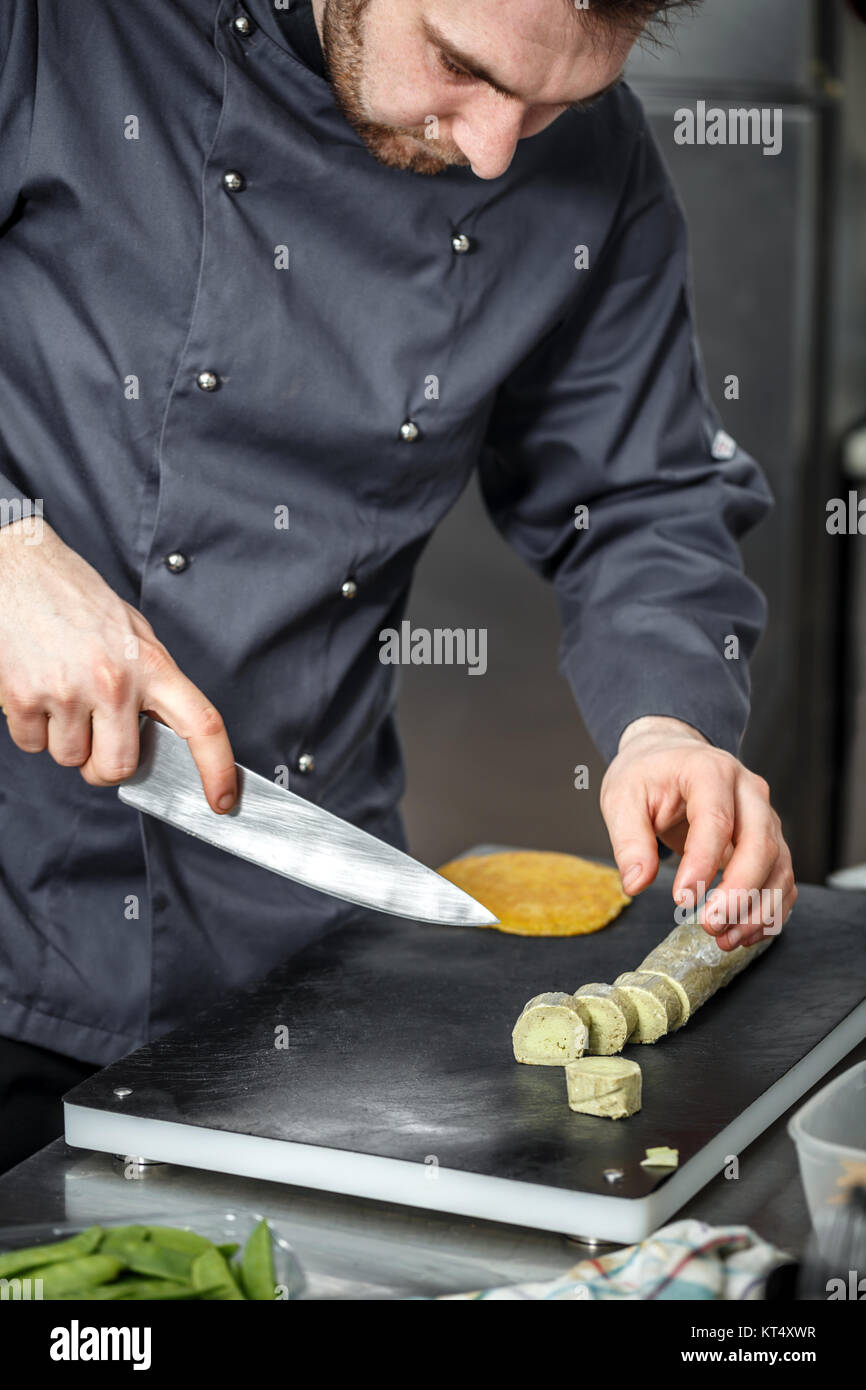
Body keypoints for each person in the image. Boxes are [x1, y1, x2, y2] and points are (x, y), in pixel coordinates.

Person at [0, 0, 795, 1173]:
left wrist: (665, 719)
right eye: (458, 69)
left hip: (294, 947)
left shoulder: (588, 162)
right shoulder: (63, 31)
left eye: (552, 106)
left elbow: (639, 494)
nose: (491, 151)